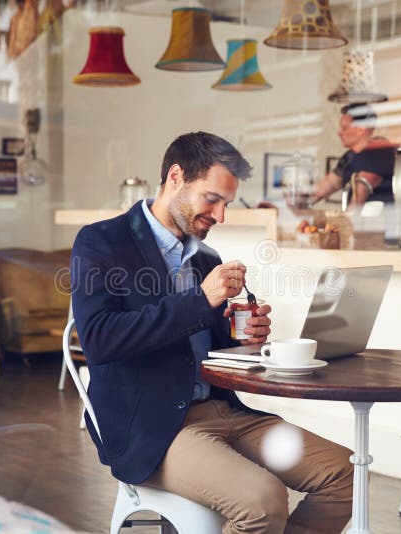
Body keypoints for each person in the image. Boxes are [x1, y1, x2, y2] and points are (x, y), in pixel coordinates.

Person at [71, 132, 354, 533]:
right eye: (212, 199)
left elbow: (203, 345)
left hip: (225, 410)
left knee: (345, 474)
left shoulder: (205, 257)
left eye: (227, 204)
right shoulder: (102, 242)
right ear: (176, 177)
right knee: (263, 500)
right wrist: (202, 301)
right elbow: (100, 340)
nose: (220, 216)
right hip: (152, 427)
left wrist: (242, 336)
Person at [312, 103, 397, 206]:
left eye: (344, 128)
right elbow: (327, 186)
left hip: (377, 220)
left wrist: (347, 219)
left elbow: (358, 200)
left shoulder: (379, 151)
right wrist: (297, 197)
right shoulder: (349, 157)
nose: (339, 133)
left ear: (361, 129)